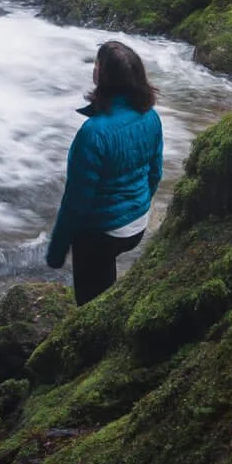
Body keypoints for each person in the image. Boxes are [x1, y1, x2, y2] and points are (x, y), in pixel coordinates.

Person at [43, 40, 165, 304]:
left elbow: (76, 203)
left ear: (103, 76)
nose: (94, 68)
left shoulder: (93, 133)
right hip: (138, 224)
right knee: (103, 268)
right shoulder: (150, 116)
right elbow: (155, 174)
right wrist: (137, 204)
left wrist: (57, 251)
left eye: (97, 64)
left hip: (105, 234)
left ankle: (94, 328)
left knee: (90, 298)